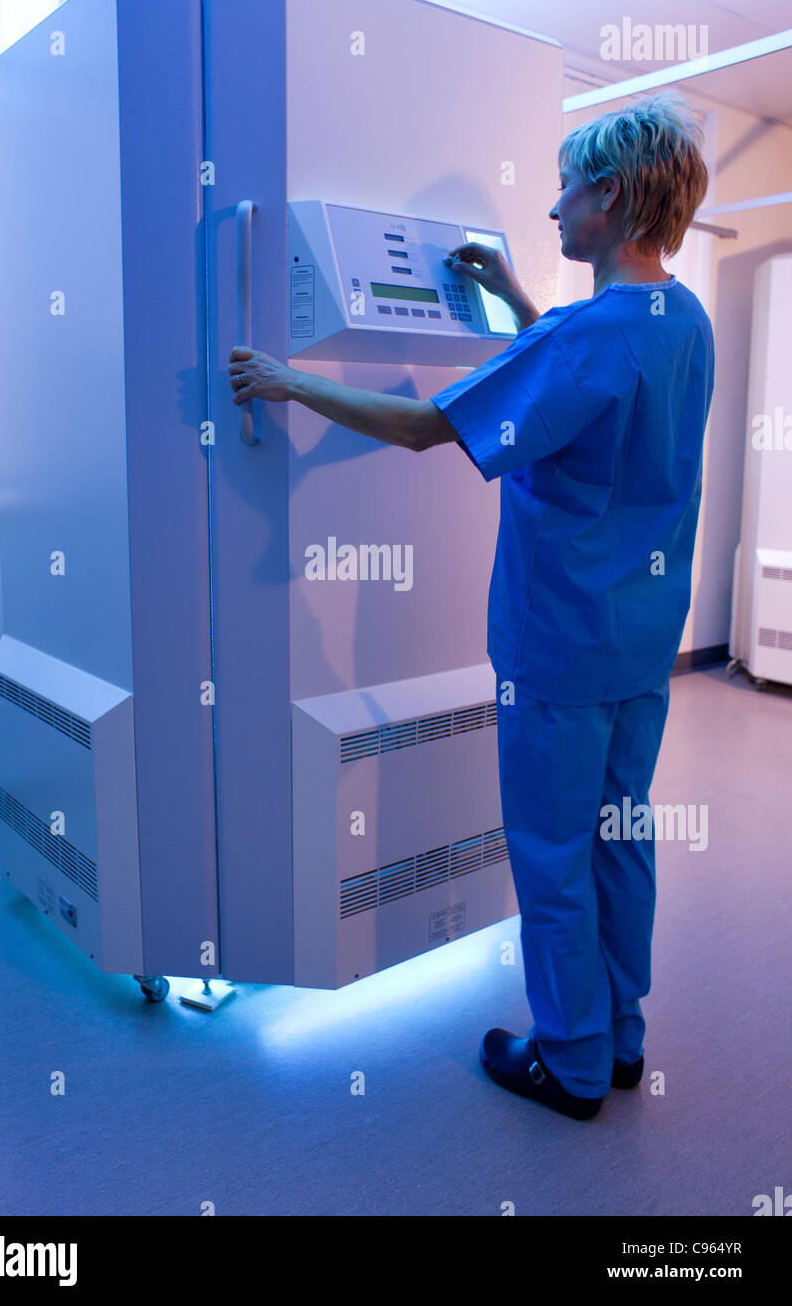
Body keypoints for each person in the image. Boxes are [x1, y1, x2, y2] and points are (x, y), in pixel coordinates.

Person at [229, 90, 713, 1122]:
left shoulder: (587, 338)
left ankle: (571, 1062)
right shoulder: (682, 322)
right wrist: (511, 298)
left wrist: (287, 382)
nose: (549, 209)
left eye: (566, 187)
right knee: (616, 833)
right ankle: (620, 1035)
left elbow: (421, 429)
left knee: (548, 853)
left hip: (558, 649)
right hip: (637, 647)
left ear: (613, 198)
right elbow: (583, 383)